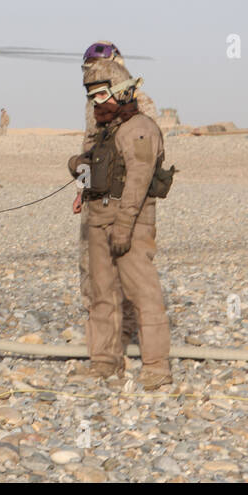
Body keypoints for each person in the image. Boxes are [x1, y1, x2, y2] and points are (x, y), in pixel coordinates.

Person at [68, 74, 173, 389]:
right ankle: (103, 362)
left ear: (121, 95)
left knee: (144, 294)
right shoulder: (106, 132)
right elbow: (96, 168)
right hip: (99, 218)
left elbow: (139, 181)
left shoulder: (138, 130)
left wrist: (124, 227)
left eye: (102, 96)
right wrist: (80, 182)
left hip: (130, 222)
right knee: (103, 294)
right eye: (93, 97)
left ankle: (156, 368)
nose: (96, 103)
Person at [74, 42, 159, 343]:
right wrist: (82, 179)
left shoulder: (137, 103)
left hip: (126, 201)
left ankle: (129, 336)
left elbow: (142, 164)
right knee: (93, 270)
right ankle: (105, 342)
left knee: (132, 271)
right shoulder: (94, 104)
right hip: (96, 200)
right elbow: (90, 147)